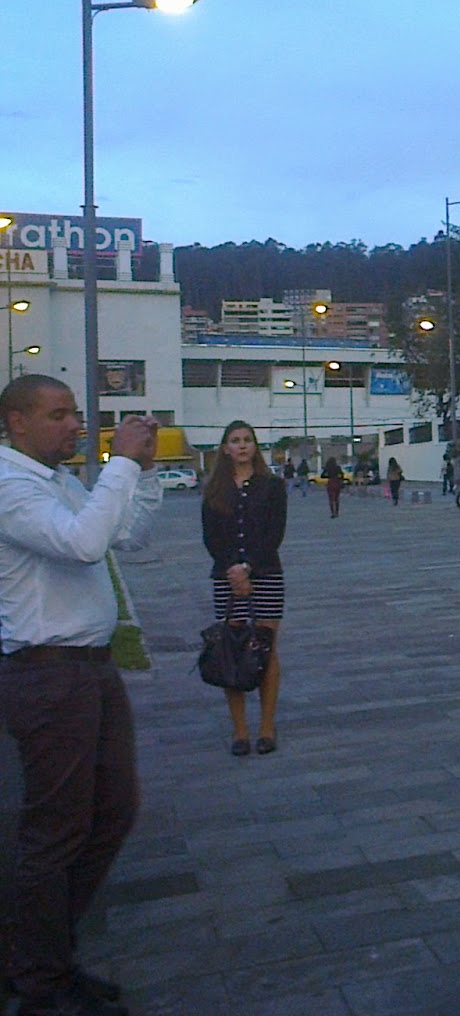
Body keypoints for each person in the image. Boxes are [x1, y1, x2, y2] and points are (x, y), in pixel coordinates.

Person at [0, 377, 161, 1016]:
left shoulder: (54, 479)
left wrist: (140, 475)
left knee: (113, 810)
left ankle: (43, 951)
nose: (74, 425)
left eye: (74, 413)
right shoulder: (9, 485)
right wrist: (119, 460)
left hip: (90, 670)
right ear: (15, 421)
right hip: (48, 675)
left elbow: (127, 537)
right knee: (55, 830)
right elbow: (82, 542)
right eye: (58, 414)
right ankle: (40, 981)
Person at [202, 421, 289, 760]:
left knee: (265, 648)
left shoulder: (272, 486)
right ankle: (240, 729)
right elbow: (211, 538)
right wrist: (232, 570)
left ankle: (267, 726)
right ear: (225, 448)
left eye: (247, 440)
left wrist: (249, 567)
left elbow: (274, 533)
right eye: (234, 441)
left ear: (255, 446)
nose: (241, 446)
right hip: (226, 578)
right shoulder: (214, 489)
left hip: (265, 573)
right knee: (231, 650)